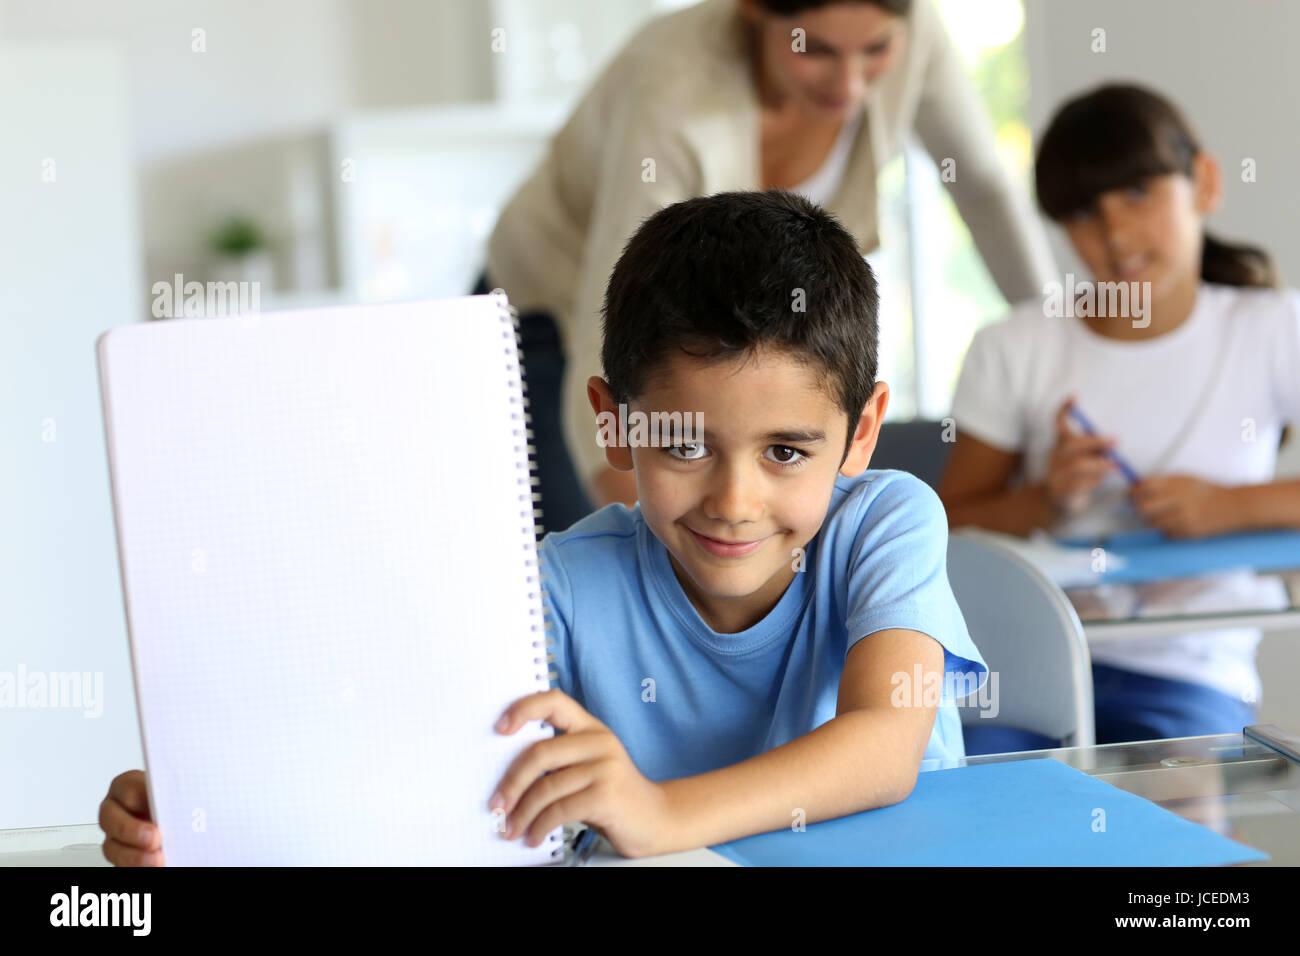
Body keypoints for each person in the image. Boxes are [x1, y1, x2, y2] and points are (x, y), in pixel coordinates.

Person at [100, 190, 986, 863]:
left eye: (787, 453)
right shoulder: (553, 588)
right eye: (682, 444)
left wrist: (660, 813)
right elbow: (427, 771)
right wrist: (215, 808)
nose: (735, 501)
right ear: (611, 420)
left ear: (861, 432)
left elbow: (884, 745)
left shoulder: (888, 521)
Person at [478, 0, 1056, 531]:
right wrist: (638, 531)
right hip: (551, 313)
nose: (850, 84)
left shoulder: (914, 31)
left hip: (733, 329)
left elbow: (983, 191)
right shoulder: (671, 87)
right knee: (584, 545)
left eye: (875, 51)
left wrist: (1061, 345)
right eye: (819, 50)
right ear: (753, 10)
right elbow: (606, 312)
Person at [939, 83, 1300, 753]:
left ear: (1206, 183)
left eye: (1138, 193)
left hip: (1191, 678)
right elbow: (947, 523)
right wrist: (1045, 498)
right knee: (981, 801)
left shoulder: (1274, 328)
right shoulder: (1013, 345)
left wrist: (1229, 506)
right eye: (1083, 213)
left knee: (1179, 823)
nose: (1115, 234)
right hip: (1029, 663)